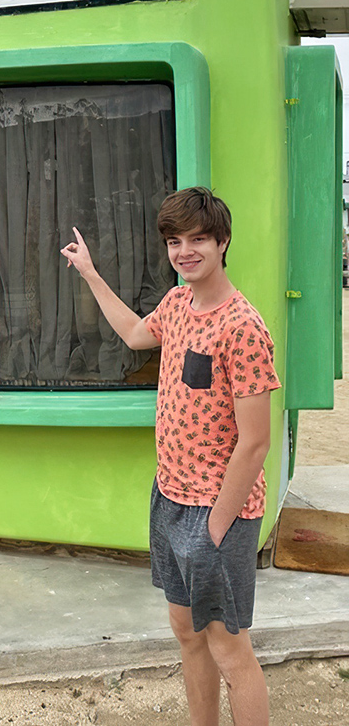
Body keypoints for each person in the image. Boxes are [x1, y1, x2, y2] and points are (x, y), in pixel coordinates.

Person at [60, 186, 280, 726]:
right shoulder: (178, 303)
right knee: (186, 634)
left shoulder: (243, 327)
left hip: (217, 514)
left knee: (231, 651)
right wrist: (89, 272)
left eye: (198, 239)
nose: (185, 251)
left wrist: (216, 528)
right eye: (175, 241)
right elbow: (136, 335)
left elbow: (255, 443)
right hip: (169, 497)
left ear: (223, 242)